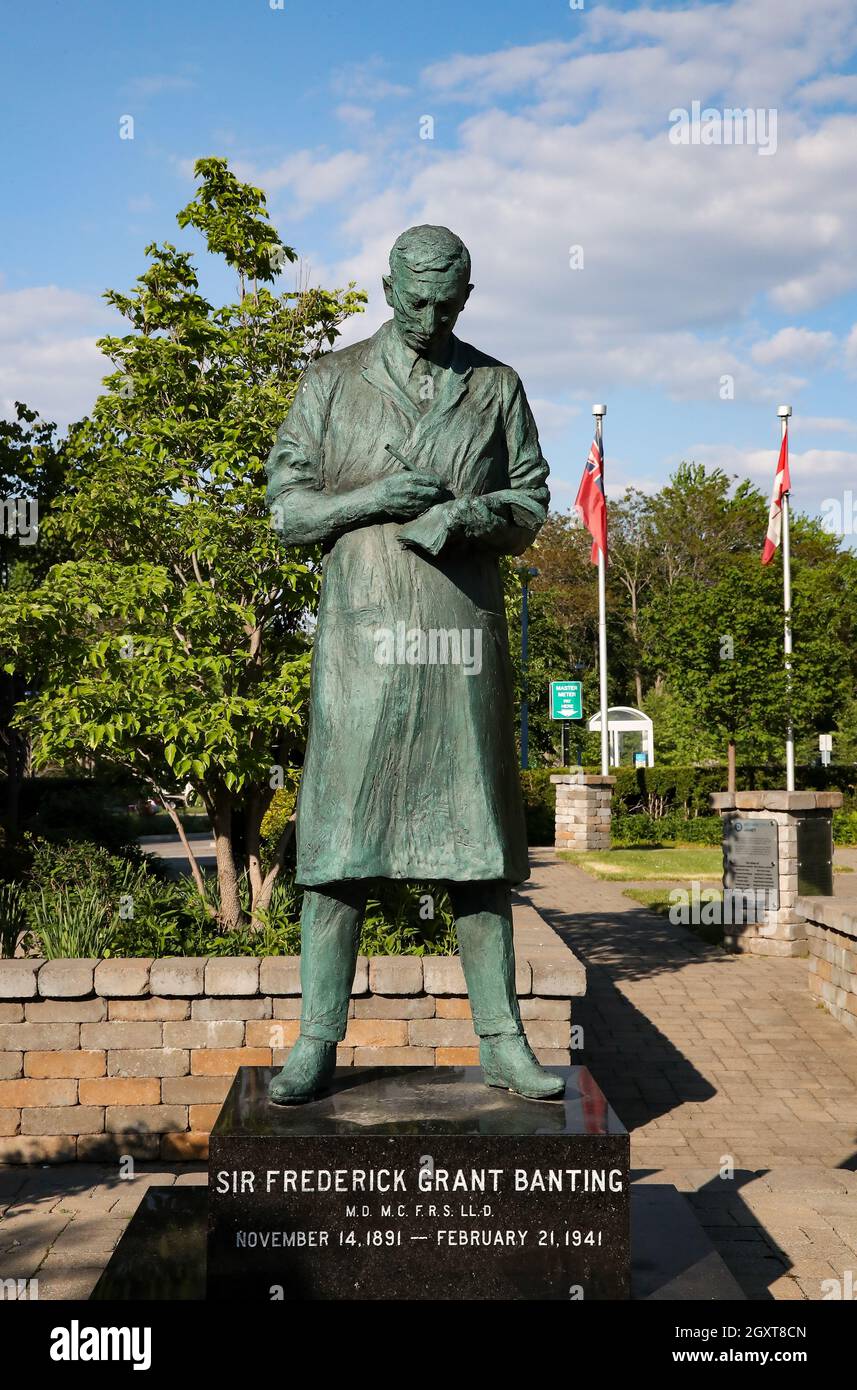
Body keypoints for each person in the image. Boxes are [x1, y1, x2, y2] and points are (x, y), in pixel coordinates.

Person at [265, 224, 564, 1103]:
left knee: (475, 855)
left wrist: (468, 517)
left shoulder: (496, 385)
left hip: (457, 644)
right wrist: (371, 501)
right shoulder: (329, 382)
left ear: (466, 295)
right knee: (337, 850)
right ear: (388, 288)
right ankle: (316, 1040)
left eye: (449, 301)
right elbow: (286, 511)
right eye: (417, 299)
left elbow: (533, 500)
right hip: (360, 647)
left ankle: (503, 1044)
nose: (431, 316)